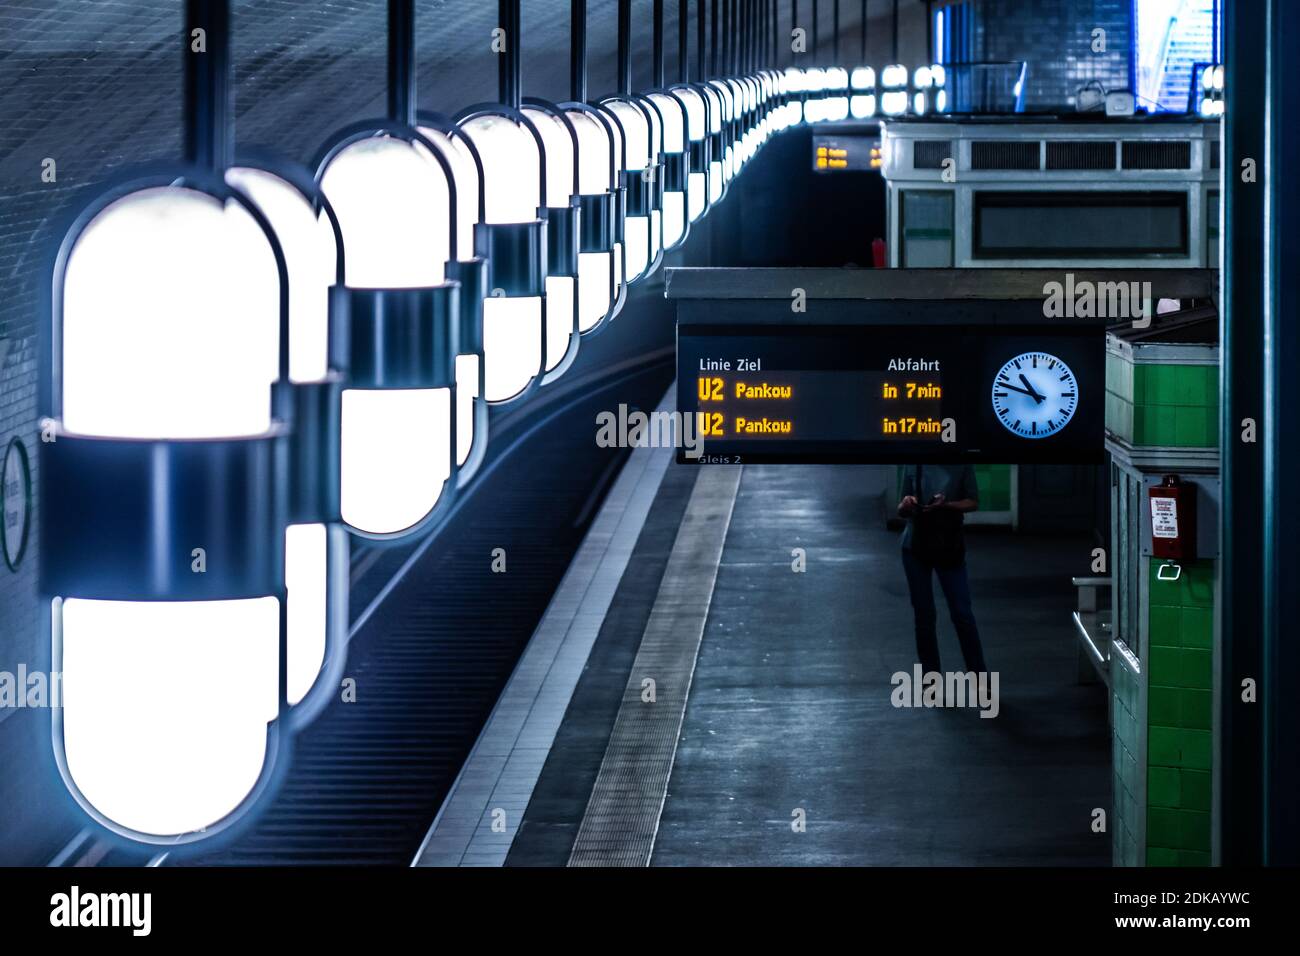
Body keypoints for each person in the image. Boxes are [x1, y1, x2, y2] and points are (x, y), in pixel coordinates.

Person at [897, 464, 988, 675]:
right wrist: (908, 503)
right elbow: (901, 509)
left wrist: (947, 505)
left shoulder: (961, 464)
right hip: (915, 546)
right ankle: (931, 683)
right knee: (924, 617)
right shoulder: (913, 463)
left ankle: (980, 681)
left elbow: (973, 502)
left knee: (962, 614)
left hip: (949, 546)